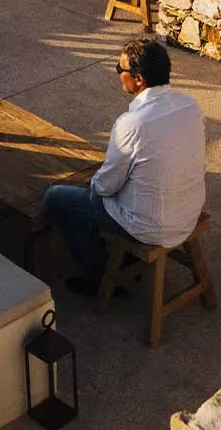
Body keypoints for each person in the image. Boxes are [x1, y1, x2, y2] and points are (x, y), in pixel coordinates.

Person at [36, 36, 205, 297]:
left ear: (138, 79)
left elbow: (105, 186)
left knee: (57, 197)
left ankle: (99, 275)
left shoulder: (132, 123)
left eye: (120, 69)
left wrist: (94, 184)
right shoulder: (189, 106)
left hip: (148, 226)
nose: (118, 74)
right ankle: (117, 257)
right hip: (188, 212)